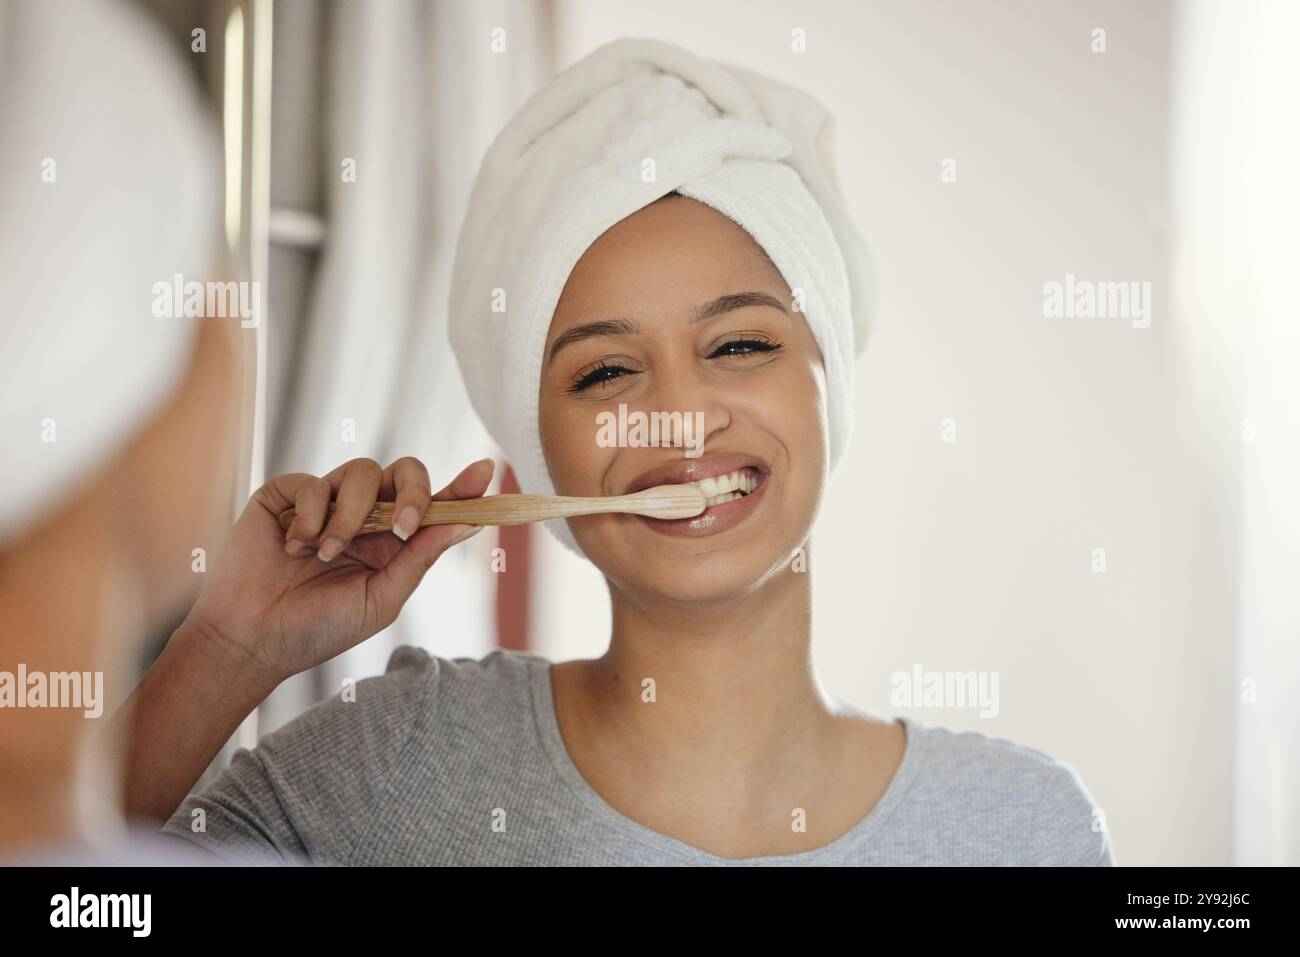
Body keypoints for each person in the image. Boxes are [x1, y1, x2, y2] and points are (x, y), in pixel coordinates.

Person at [123, 39, 1114, 865]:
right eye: (604, 374)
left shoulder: (1023, 830)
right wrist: (227, 652)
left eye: (740, 346)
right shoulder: (394, 770)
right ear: (534, 447)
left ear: (829, 388)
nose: (677, 417)